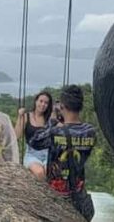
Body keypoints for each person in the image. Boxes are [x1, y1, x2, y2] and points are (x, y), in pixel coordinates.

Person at [29, 85, 96, 221]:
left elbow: (34, 142)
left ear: (62, 107)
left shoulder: (56, 132)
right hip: (79, 195)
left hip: (56, 197)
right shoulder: (90, 131)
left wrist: (52, 122)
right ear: (80, 106)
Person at [14, 91, 53, 181]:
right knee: (39, 172)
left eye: (46, 103)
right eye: (41, 101)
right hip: (32, 154)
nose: (43, 105)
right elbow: (17, 135)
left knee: (49, 170)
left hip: (47, 153)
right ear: (36, 101)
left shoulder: (50, 119)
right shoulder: (26, 116)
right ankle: (44, 189)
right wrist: (20, 117)